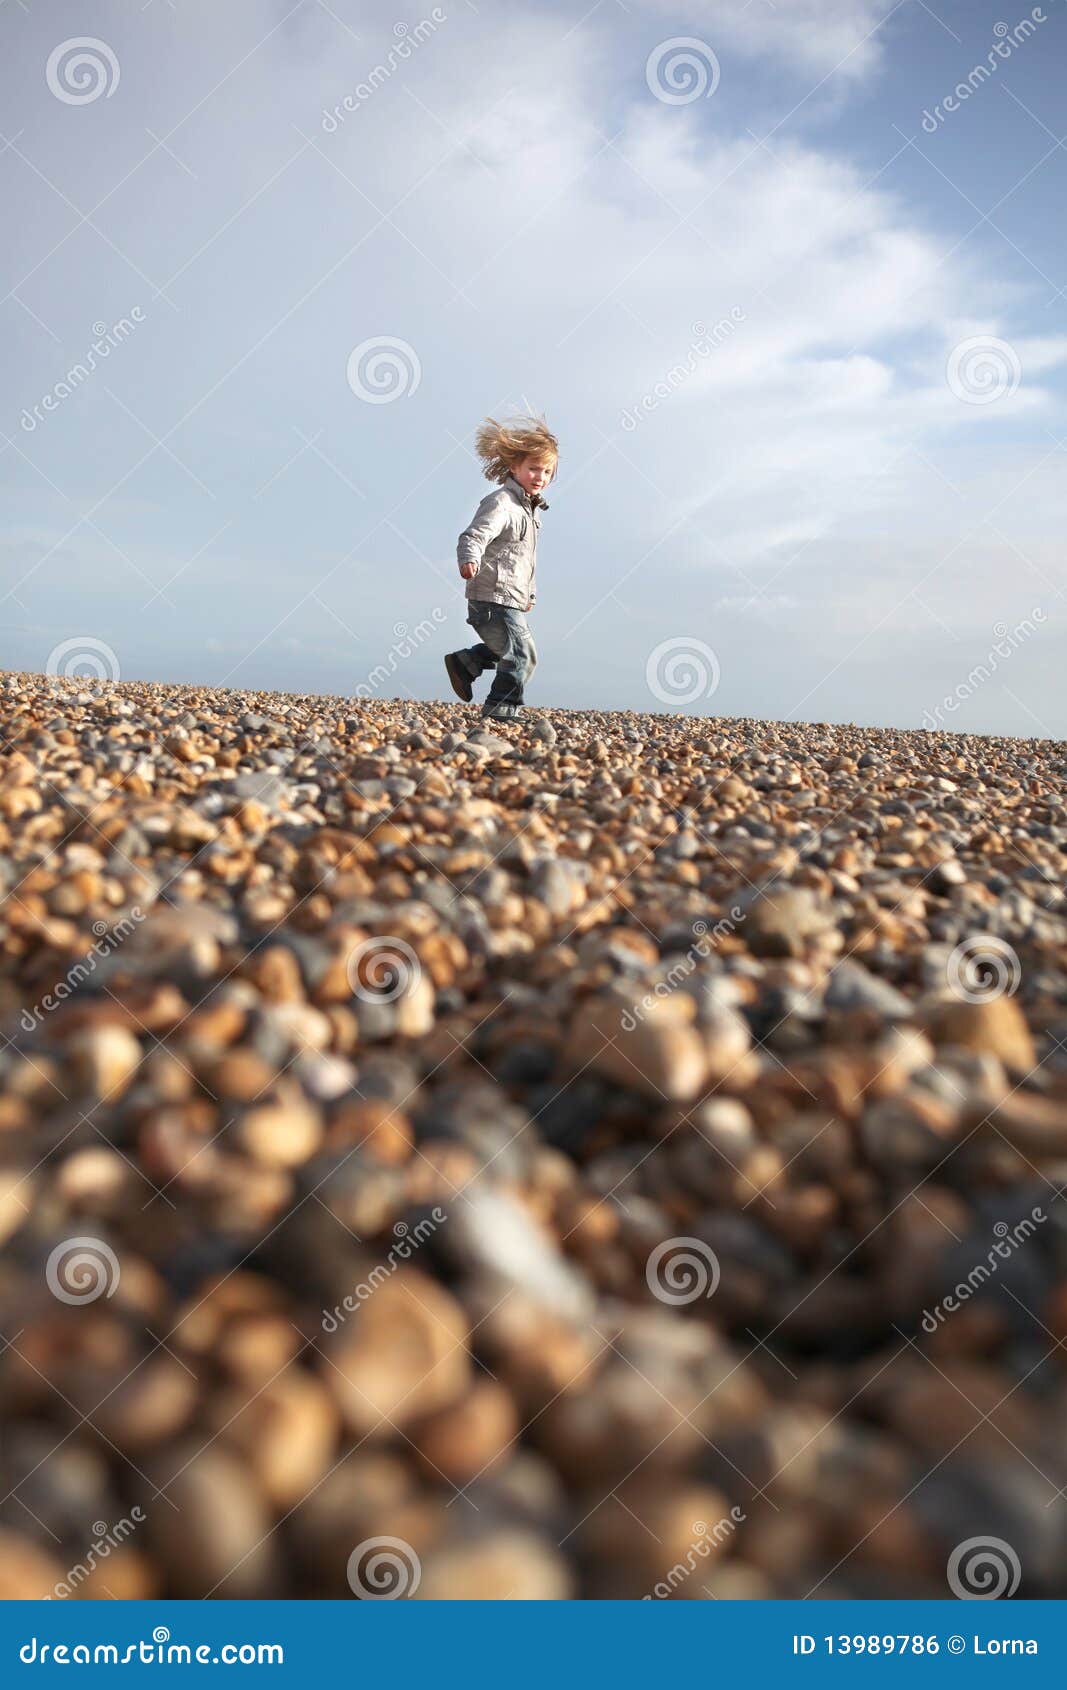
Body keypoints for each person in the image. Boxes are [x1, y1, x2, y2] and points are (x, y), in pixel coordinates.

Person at [444, 415, 557, 720]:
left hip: (510, 598)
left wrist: (529, 594)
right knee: (521, 654)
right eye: (534, 468)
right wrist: (469, 558)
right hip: (491, 597)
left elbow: (524, 560)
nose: (540, 476)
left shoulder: (530, 511)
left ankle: (467, 662)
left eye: (547, 471)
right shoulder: (502, 503)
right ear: (514, 467)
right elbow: (474, 535)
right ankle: (501, 709)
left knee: (512, 650)